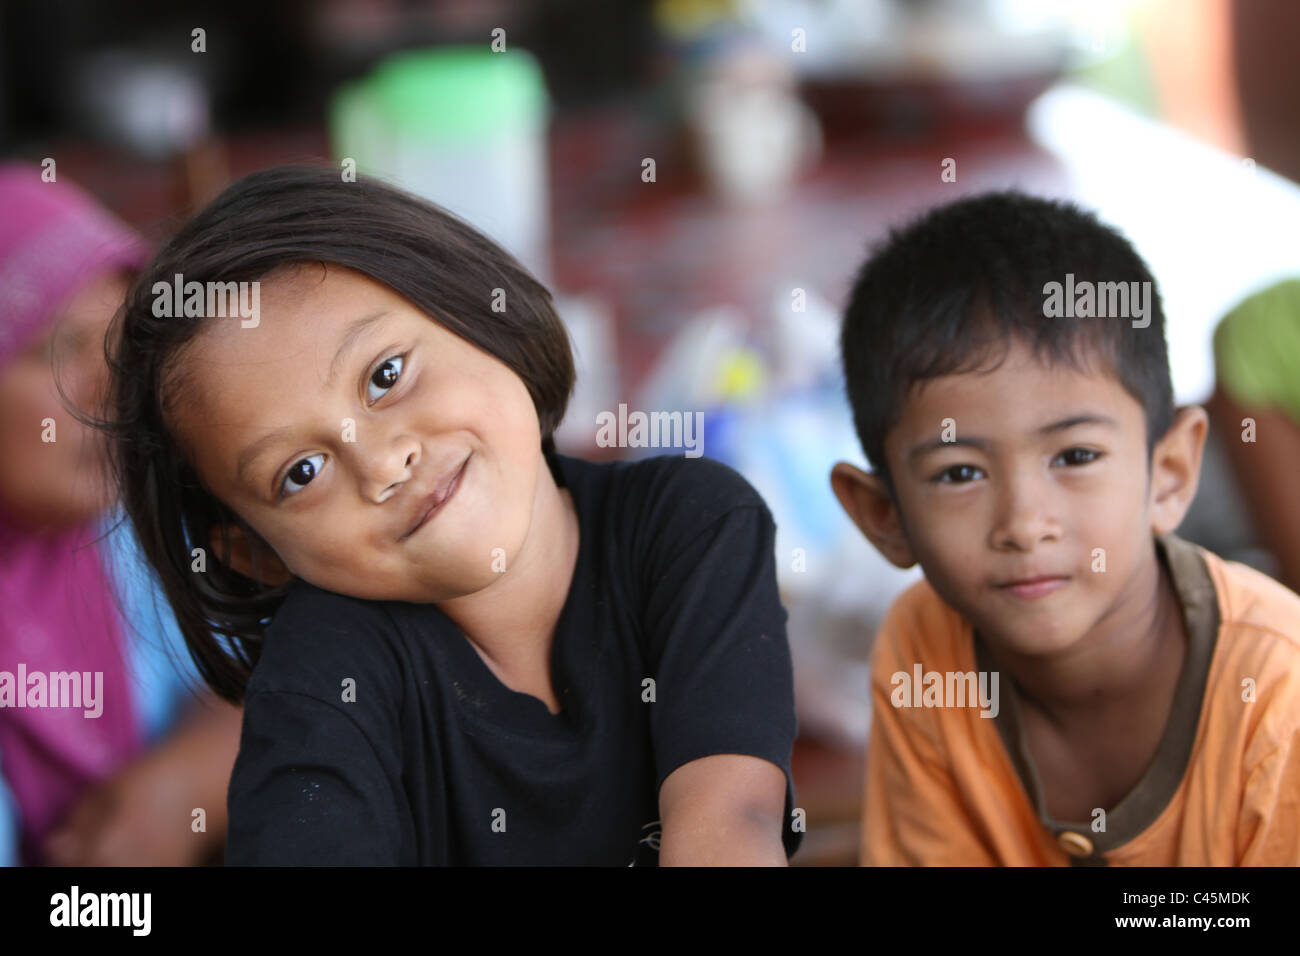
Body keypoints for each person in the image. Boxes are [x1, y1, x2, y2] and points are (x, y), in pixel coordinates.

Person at [103, 164, 801, 865]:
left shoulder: (691, 528)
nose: (382, 463)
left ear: (478, 312)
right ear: (256, 553)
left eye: (386, 376)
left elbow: (729, 823)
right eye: (301, 473)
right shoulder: (324, 676)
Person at [830, 191, 1300, 866]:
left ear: (1167, 473)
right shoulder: (924, 650)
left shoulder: (1279, 698)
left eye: (1075, 457)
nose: (1023, 524)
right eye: (959, 473)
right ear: (883, 517)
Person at [0, 163, 242, 865]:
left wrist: (184, 786)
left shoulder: (134, 535)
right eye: (60, 348)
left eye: (120, 340)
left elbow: (301, 668)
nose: (114, 388)